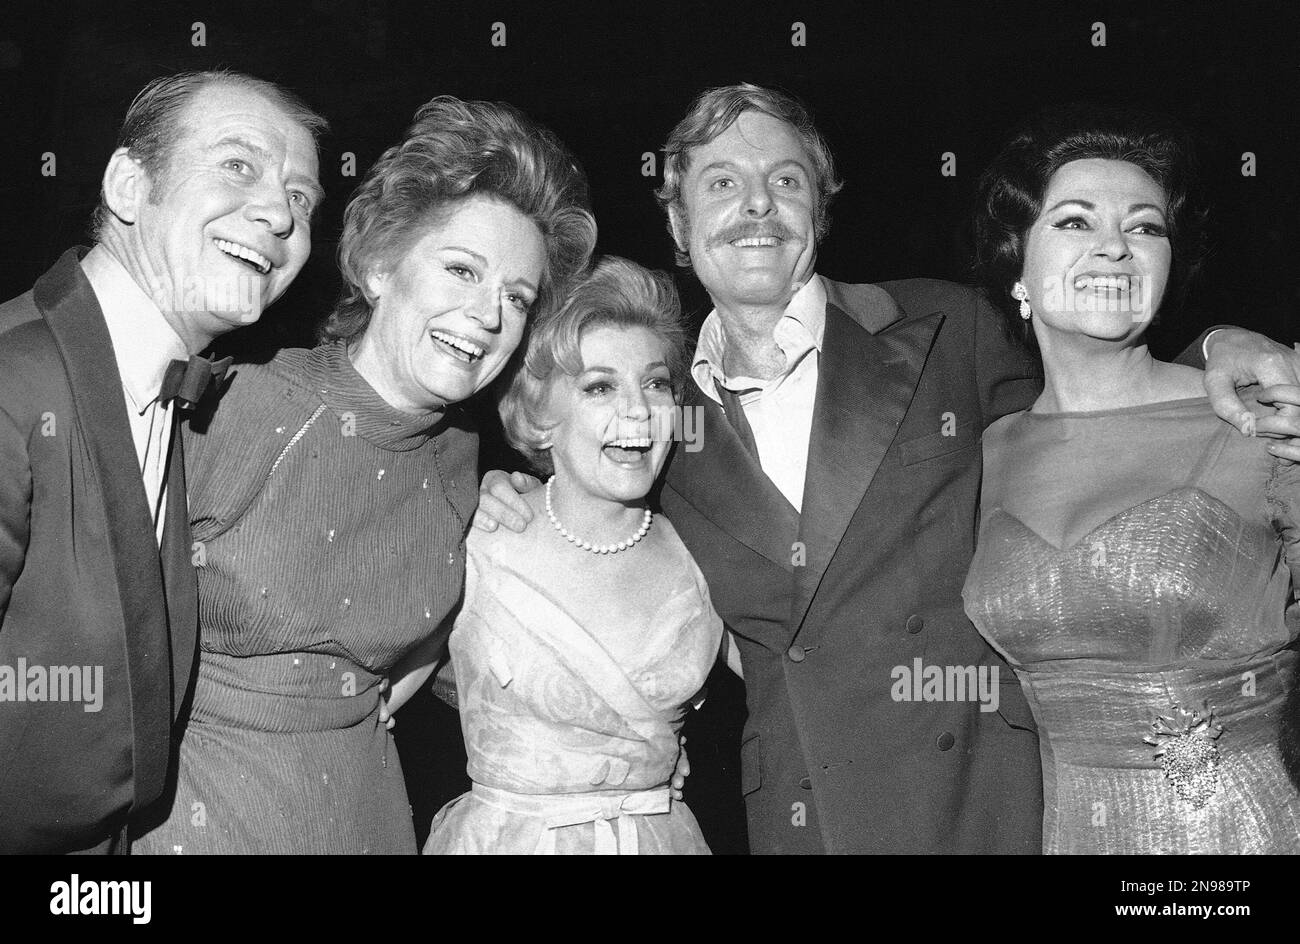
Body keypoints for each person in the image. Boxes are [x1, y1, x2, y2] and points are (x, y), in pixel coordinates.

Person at [477, 83, 1300, 854]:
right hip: (804, 814)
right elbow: (596, 510)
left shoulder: (948, 326)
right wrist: (512, 492)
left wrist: (1227, 350)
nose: (757, 205)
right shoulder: (659, 409)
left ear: (820, 210)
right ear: (678, 224)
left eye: (786, 179)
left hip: (976, 803)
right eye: (722, 183)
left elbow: (1103, 385)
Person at [131, 96, 596, 854]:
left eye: (516, 299)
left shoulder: (462, 462)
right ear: (380, 265)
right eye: (460, 270)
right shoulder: (237, 407)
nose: (487, 315)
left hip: (364, 819)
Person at [0, 70, 325, 854]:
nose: (279, 213)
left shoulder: (161, 384)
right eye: (238, 165)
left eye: (303, 198)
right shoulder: (15, 382)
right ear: (128, 185)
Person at [962, 105, 1300, 853]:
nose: (1115, 246)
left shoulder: (1261, 422)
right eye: (1076, 222)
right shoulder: (988, 451)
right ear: (1016, 262)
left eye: (1146, 226)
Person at [387, 256, 728, 854]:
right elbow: (363, 703)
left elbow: (803, 683)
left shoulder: (707, 552)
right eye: (600, 386)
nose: (636, 411)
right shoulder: (476, 535)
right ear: (541, 416)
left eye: (655, 384)